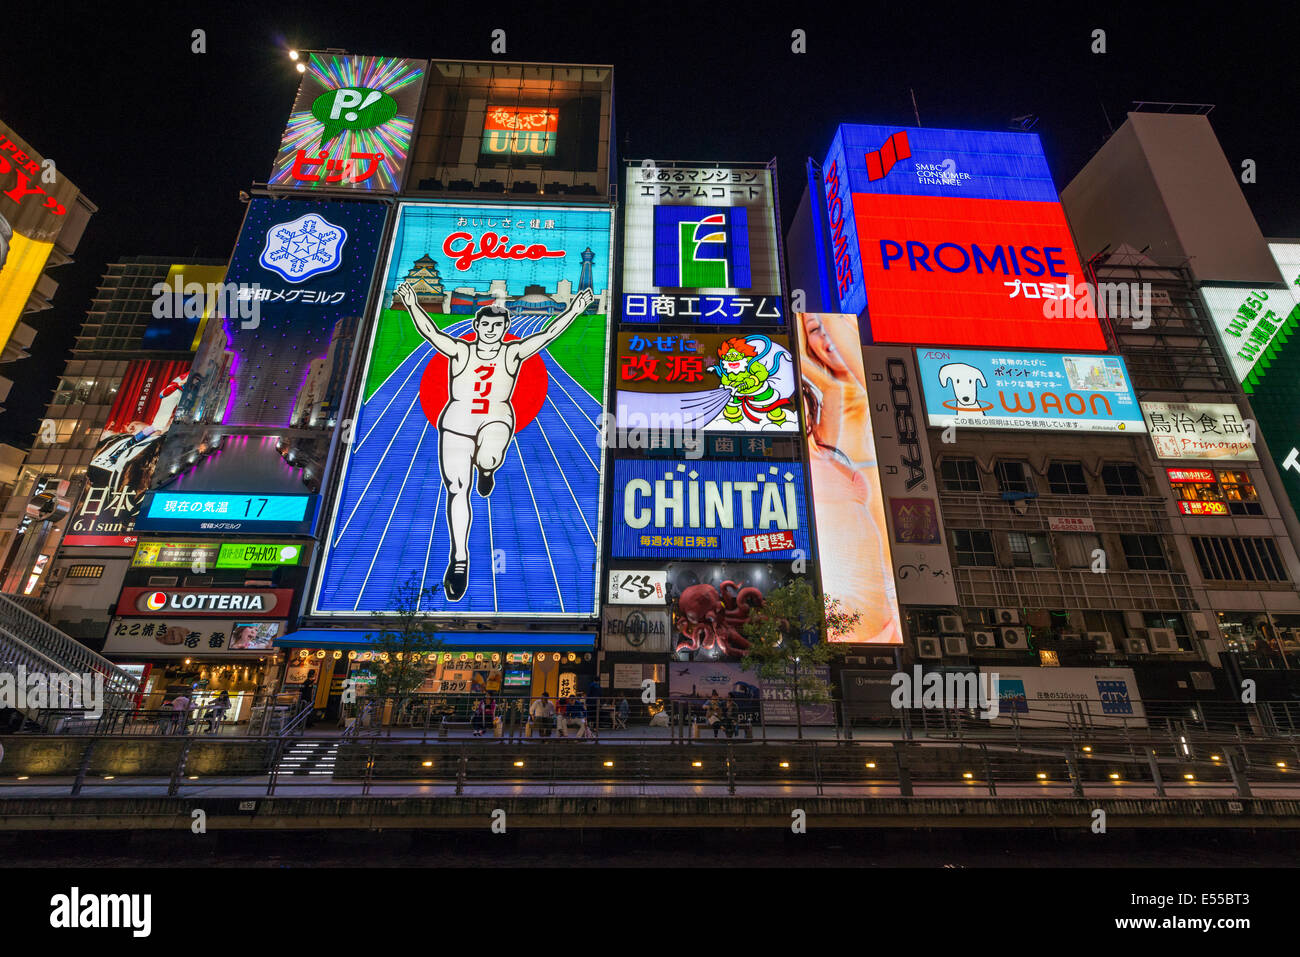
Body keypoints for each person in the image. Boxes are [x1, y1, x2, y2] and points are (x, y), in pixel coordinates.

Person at [396, 281, 596, 601]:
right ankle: (459, 560)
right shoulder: (461, 351)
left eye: (498, 325)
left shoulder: (512, 353)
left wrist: (574, 309)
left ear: (505, 329)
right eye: (486, 324)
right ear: (476, 326)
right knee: (457, 489)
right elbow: (432, 333)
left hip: (496, 418)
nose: (491, 329)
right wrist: (412, 305)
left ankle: (487, 469)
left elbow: (547, 335)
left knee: (488, 457)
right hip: (457, 423)